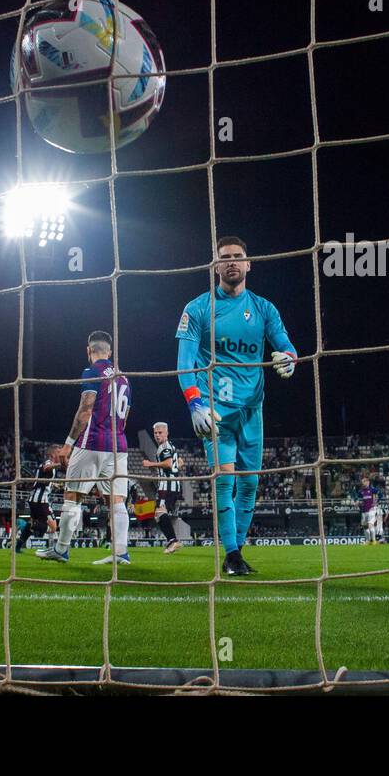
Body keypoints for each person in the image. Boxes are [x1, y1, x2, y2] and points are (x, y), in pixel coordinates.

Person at [176, 236, 297, 577]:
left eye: (237, 256)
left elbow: (287, 346)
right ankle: (230, 554)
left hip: (252, 410)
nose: (231, 261)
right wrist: (194, 403)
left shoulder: (264, 309)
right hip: (215, 411)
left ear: (248, 264)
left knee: (249, 483)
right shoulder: (197, 308)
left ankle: (237, 552)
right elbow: (184, 364)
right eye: (224, 257)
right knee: (225, 478)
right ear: (215, 265)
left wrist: (290, 360)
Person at [37, 331, 132, 565]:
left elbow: (86, 409)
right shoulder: (124, 378)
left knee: (72, 496)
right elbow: (126, 416)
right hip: (119, 445)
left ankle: (61, 549)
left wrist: (68, 445)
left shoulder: (92, 372)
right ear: (109, 352)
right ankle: (121, 552)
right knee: (116, 500)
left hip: (92, 443)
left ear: (89, 350)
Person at [141, 421, 183, 553]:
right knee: (159, 513)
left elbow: (169, 463)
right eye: (155, 433)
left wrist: (150, 464)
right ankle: (172, 541)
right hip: (171, 484)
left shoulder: (164, 447)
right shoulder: (170, 446)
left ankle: (173, 541)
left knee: (159, 512)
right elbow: (180, 461)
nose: (157, 435)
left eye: (160, 433)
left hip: (167, 484)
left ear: (167, 433)